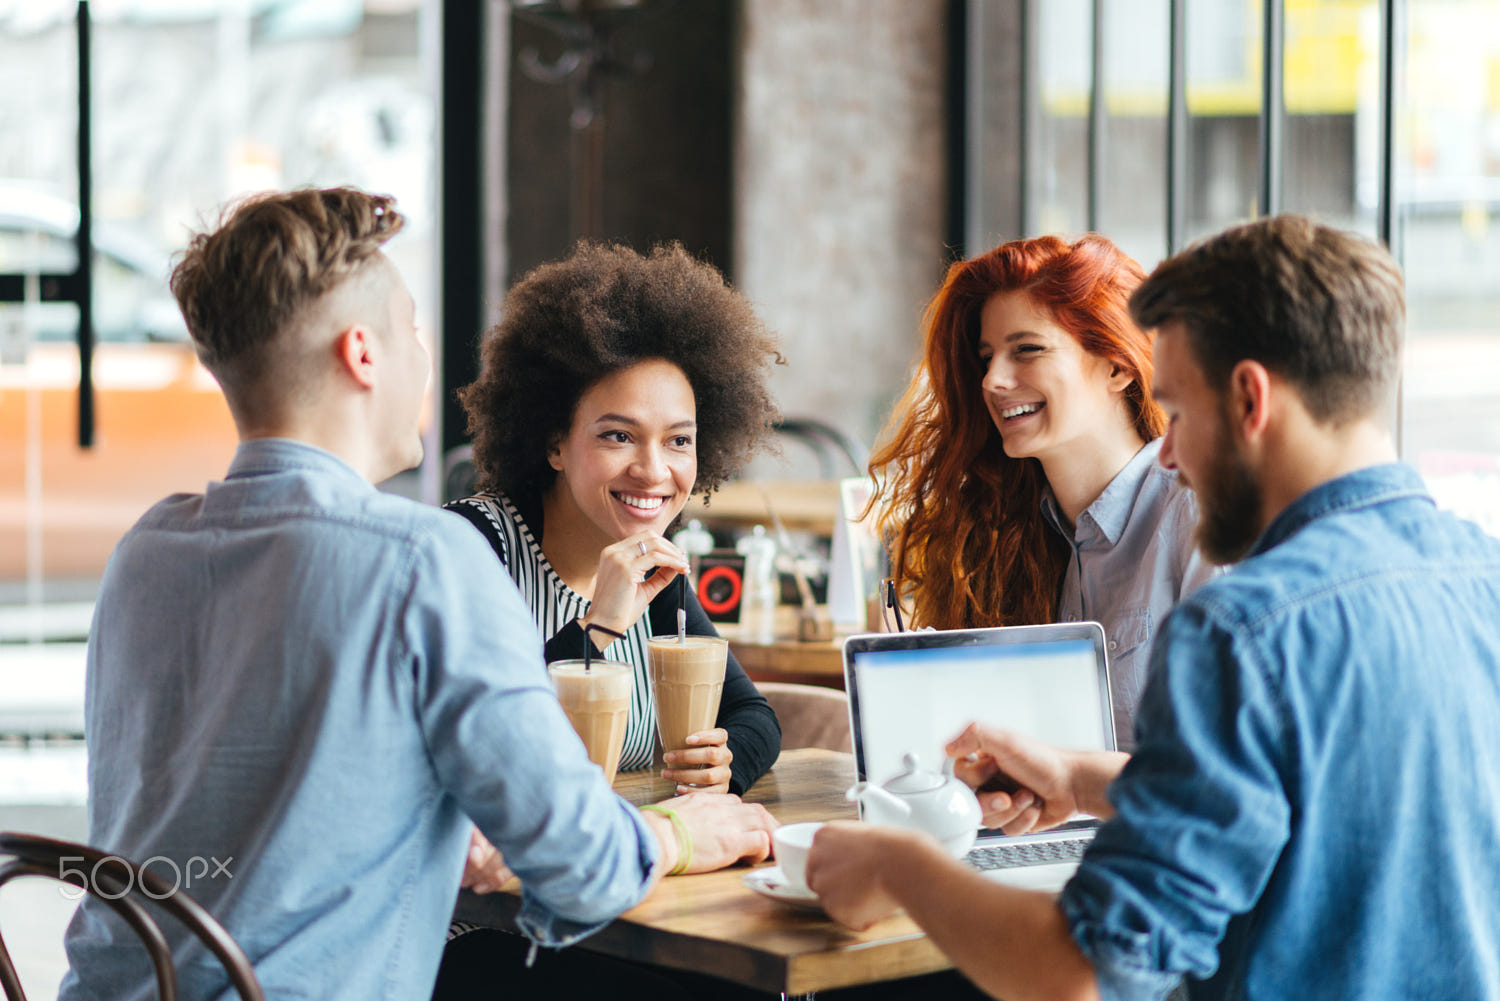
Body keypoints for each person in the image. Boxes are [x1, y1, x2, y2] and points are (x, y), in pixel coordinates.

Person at [58, 188, 776, 1001]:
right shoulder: (424, 560)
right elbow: (583, 866)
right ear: (362, 354)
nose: (426, 356)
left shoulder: (144, 553)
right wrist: (687, 830)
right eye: (411, 329)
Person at [805, 215, 1500, 1001]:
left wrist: (898, 863)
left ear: (1248, 398)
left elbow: (1083, 975)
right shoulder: (1485, 577)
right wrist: (1074, 775)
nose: (1165, 450)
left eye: (1177, 407)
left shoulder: (1244, 628)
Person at [446, 241, 783, 796]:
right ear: (555, 441)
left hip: (638, 858)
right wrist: (597, 627)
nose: (653, 471)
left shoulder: (655, 570)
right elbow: (481, 738)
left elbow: (753, 715)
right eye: (618, 436)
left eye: (679, 440)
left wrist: (725, 766)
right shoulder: (474, 546)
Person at [868, 235, 1214, 746]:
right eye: (986, 357)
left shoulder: (1199, 508)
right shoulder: (1013, 533)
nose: (992, 380)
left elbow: (1231, 771)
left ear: (1116, 366)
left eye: (1026, 350)